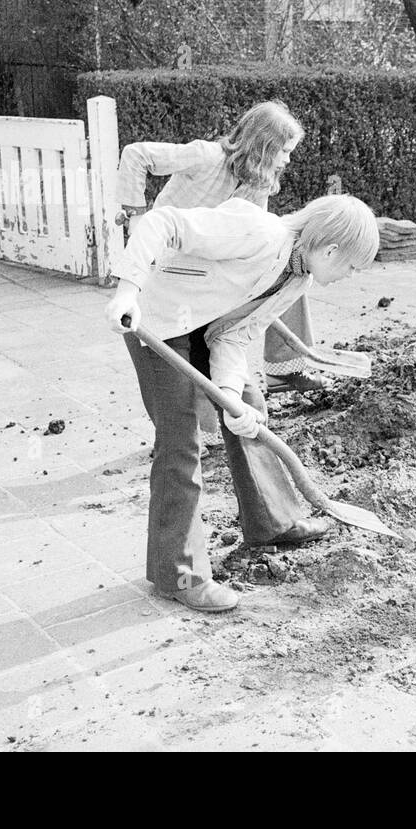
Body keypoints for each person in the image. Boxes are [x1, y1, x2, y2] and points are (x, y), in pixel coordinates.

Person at [103, 194, 380, 612]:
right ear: (331, 250)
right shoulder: (259, 233)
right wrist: (127, 291)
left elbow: (232, 336)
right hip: (157, 318)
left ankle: (272, 520)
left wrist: (231, 399)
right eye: (352, 266)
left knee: (248, 402)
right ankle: (179, 574)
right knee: (180, 441)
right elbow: (162, 223)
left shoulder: (297, 279)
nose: (351, 275)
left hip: (205, 325)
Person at [115, 101, 323, 404]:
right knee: (194, 342)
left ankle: (284, 367)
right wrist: (135, 216)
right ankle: (199, 416)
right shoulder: (206, 156)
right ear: (265, 144)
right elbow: (136, 155)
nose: (288, 161)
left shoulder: (258, 184)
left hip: (208, 262)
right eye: (285, 151)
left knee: (290, 271)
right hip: (167, 259)